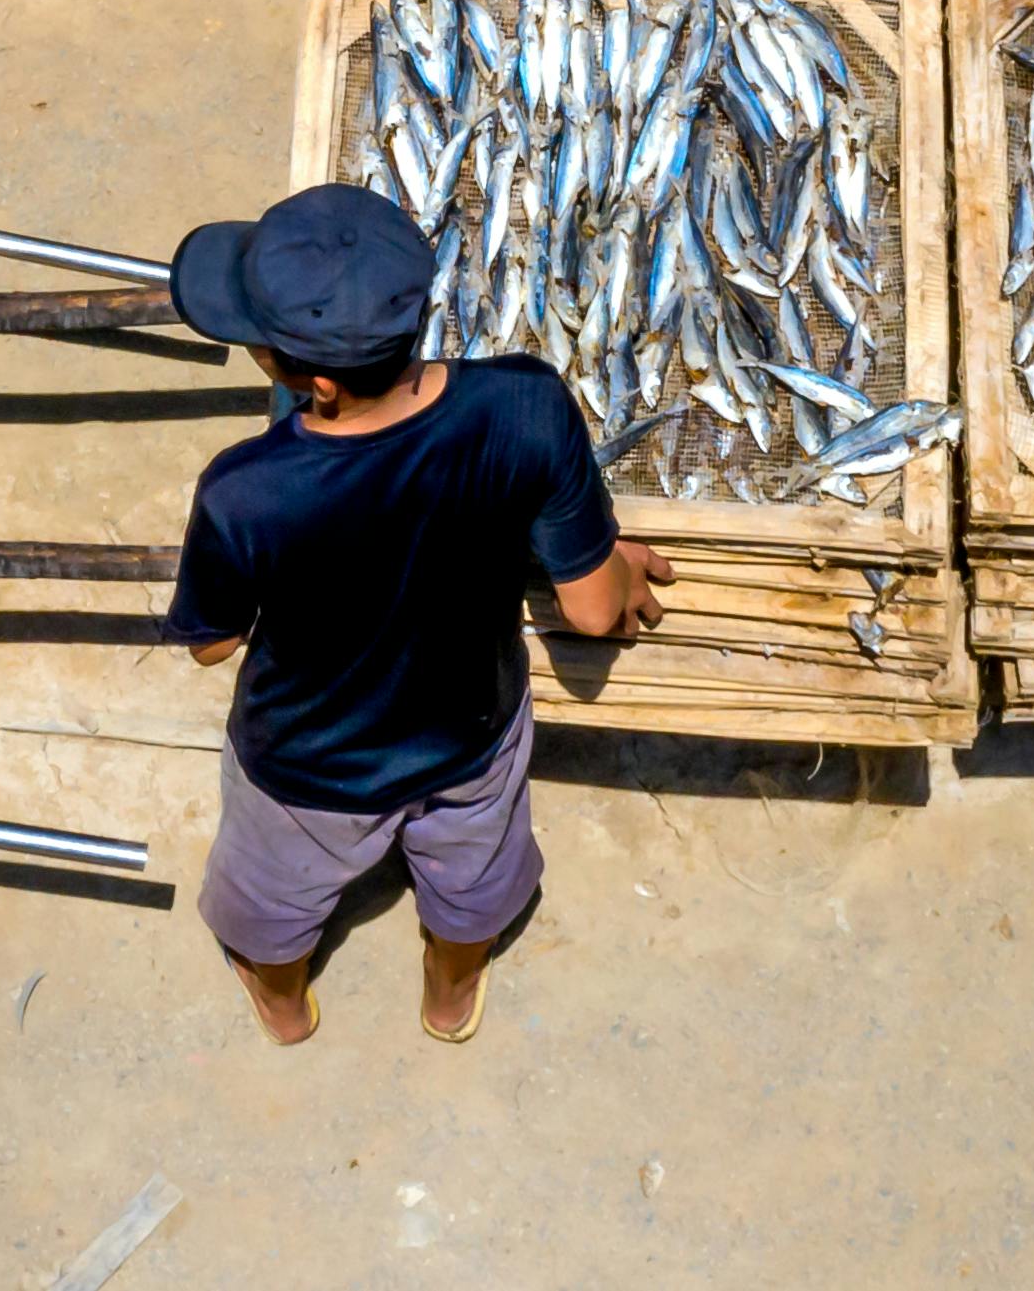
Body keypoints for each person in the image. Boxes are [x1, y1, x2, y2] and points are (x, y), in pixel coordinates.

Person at [160, 185, 672, 1050]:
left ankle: (283, 1006)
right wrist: (613, 559)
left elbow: (211, 644)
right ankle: (448, 995)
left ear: (311, 382)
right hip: (469, 733)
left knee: (270, 904)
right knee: (473, 882)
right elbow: (590, 610)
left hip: (305, 767)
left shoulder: (243, 491)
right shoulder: (524, 404)